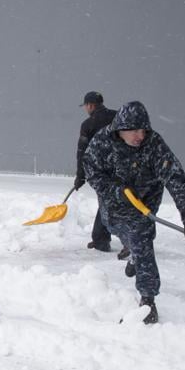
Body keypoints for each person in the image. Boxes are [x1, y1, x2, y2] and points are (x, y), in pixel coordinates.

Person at [83, 101, 185, 324]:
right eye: (134, 130)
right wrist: (115, 191)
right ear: (121, 128)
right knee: (124, 234)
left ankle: (148, 302)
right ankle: (132, 252)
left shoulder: (153, 144)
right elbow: (91, 171)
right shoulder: (102, 141)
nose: (140, 135)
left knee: (142, 239)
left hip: (144, 206)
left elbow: (176, 178)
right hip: (113, 207)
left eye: (143, 130)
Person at [73, 91, 117, 252]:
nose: (85, 109)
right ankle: (100, 238)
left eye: (85, 106)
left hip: (102, 172)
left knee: (107, 203)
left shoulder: (88, 125)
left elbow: (82, 153)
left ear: (90, 105)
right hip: (124, 169)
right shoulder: (118, 117)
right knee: (114, 202)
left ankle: (102, 240)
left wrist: (80, 176)